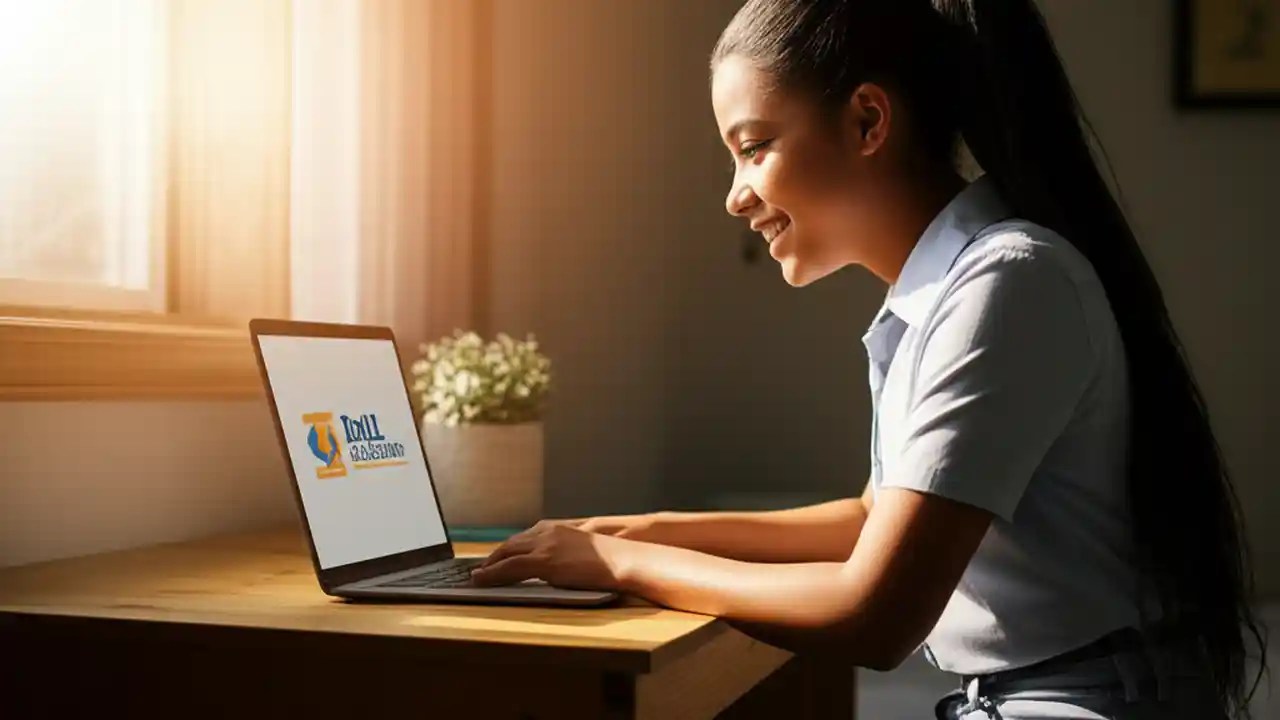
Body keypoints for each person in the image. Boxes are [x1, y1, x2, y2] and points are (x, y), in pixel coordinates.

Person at [471, 1, 1268, 717]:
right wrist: (643, 529)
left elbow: (872, 613)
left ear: (866, 122)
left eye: (753, 148)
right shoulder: (940, 293)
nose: (734, 196)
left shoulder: (1009, 282)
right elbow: (870, 522)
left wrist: (618, 562)